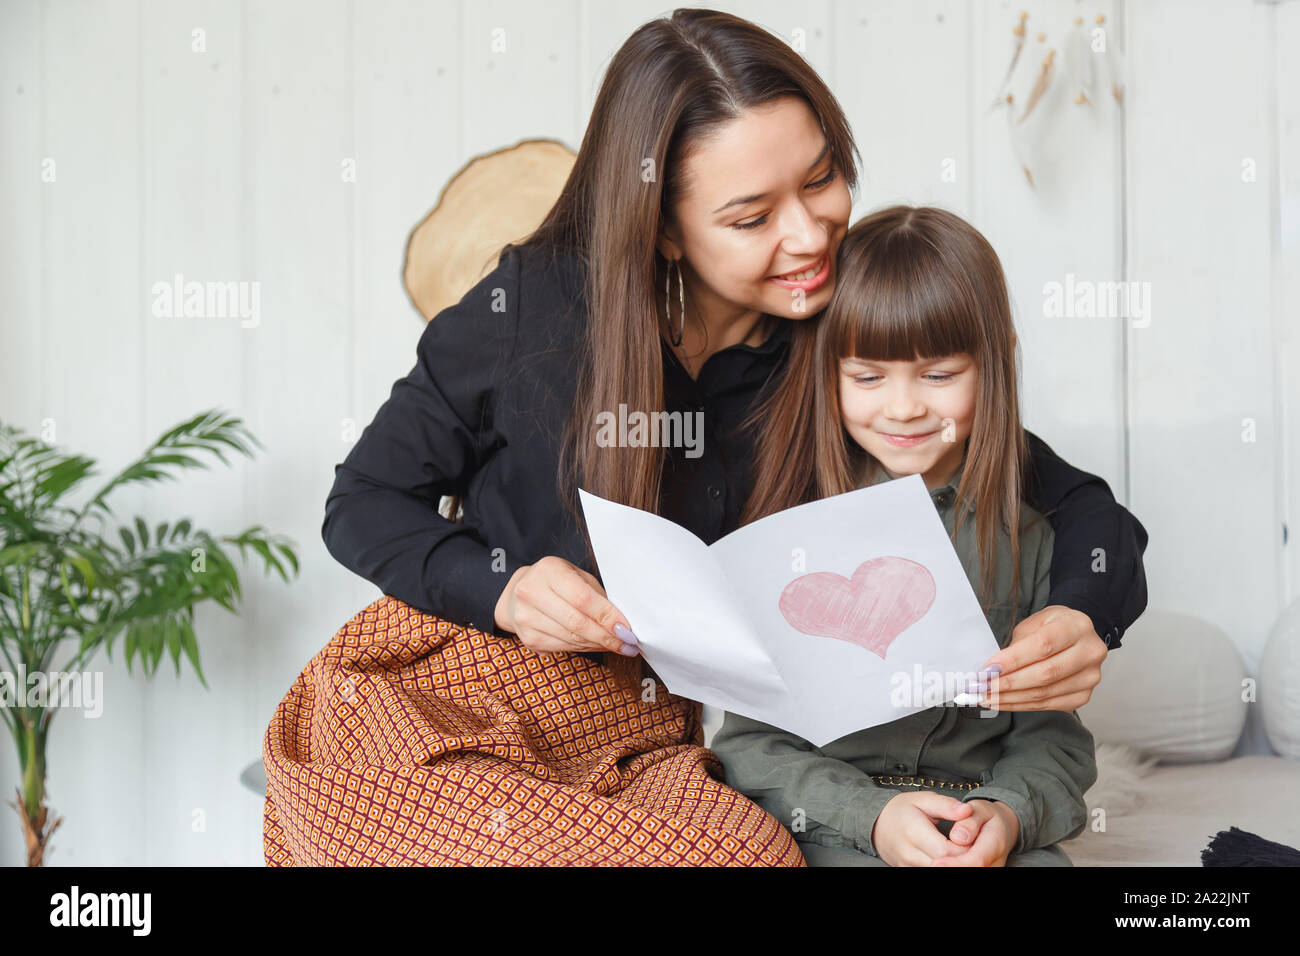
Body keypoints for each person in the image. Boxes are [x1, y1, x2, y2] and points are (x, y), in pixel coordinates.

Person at [263, 9, 1144, 866]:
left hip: (644, 740)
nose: (808, 234)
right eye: (752, 217)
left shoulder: (838, 341)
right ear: (664, 232)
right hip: (455, 691)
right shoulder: (530, 306)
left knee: (745, 856)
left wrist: (1080, 611)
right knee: (443, 825)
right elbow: (363, 501)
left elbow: (1068, 499)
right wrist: (504, 590)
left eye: (821, 177)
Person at [712, 204, 1101, 866]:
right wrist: (872, 817)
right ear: (828, 371)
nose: (902, 407)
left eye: (940, 375)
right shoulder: (787, 531)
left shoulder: (1033, 536)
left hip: (974, 819)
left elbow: (1053, 738)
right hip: (835, 822)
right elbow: (748, 747)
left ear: (995, 364)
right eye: (867, 377)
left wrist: (1006, 814)